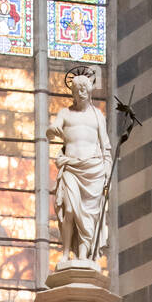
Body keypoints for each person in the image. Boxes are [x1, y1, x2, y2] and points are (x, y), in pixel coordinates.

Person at [46, 67, 111, 261]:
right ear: (73, 92)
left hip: (94, 170)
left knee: (88, 216)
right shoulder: (65, 113)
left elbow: (105, 145)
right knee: (69, 210)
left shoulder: (98, 115)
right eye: (77, 88)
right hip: (71, 167)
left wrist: (107, 169)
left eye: (84, 87)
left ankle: (83, 254)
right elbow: (51, 130)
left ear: (90, 89)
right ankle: (66, 253)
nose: (81, 91)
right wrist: (53, 129)